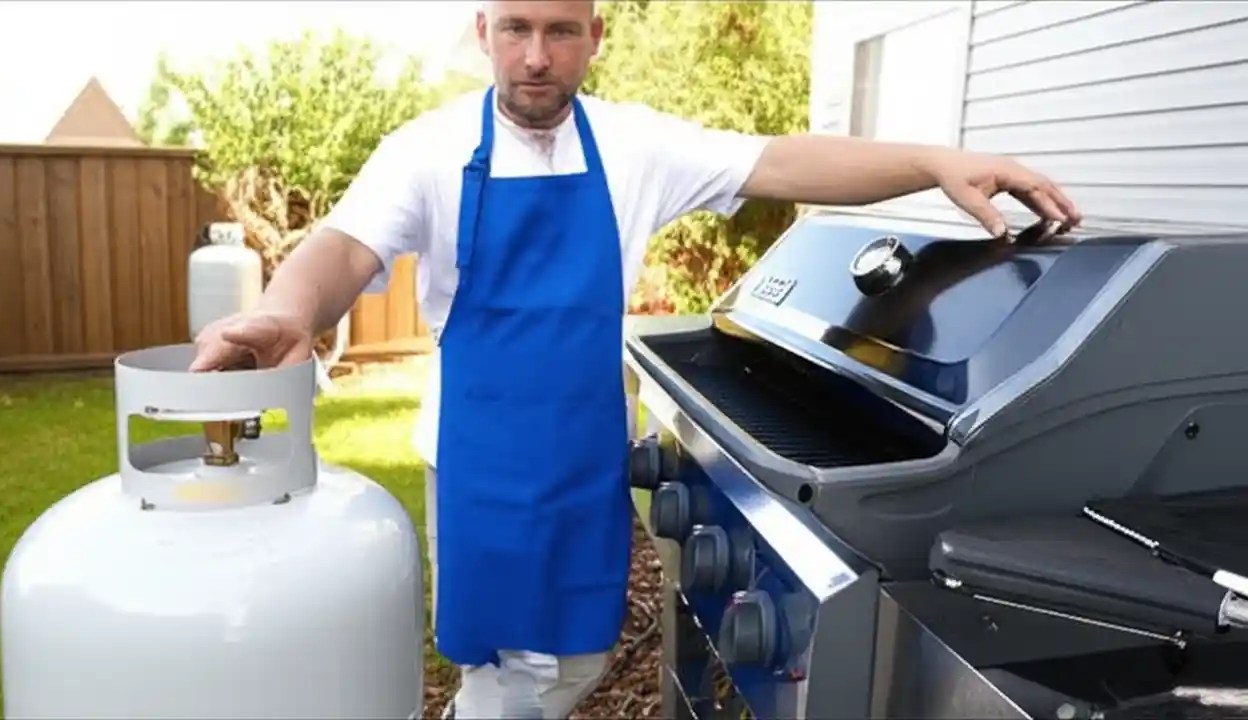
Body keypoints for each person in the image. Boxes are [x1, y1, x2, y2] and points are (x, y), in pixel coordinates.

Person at [189, 0, 1083, 716]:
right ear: (483, 35)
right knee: (496, 668)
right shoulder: (425, 151)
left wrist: (934, 160)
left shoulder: (633, 146)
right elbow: (344, 249)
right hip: (475, 462)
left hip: (582, 454)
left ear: (594, 39)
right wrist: (283, 306)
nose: (535, 56)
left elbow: (790, 162)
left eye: (559, 31)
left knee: (581, 652)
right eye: (516, 29)